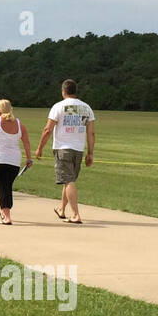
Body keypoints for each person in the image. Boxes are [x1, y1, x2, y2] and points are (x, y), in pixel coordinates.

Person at [35, 79, 95, 224]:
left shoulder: (59, 106)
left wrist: (39, 148)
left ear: (63, 91)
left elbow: (48, 129)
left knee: (68, 181)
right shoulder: (86, 108)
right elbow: (91, 133)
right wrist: (90, 153)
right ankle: (61, 209)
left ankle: (75, 214)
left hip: (62, 148)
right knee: (68, 180)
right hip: (78, 149)